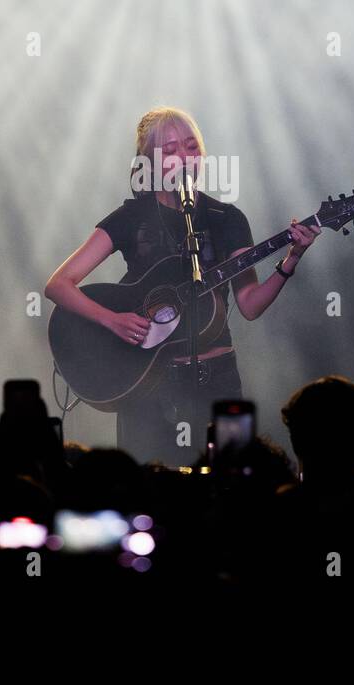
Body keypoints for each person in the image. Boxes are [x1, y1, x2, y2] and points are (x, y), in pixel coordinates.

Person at [44, 106, 320, 466]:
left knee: (232, 487)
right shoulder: (130, 219)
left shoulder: (227, 218)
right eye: (171, 150)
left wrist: (291, 259)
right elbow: (58, 285)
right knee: (149, 492)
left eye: (191, 146)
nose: (185, 157)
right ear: (151, 162)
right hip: (149, 383)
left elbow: (250, 305)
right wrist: (112, 319)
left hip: (218, 380)